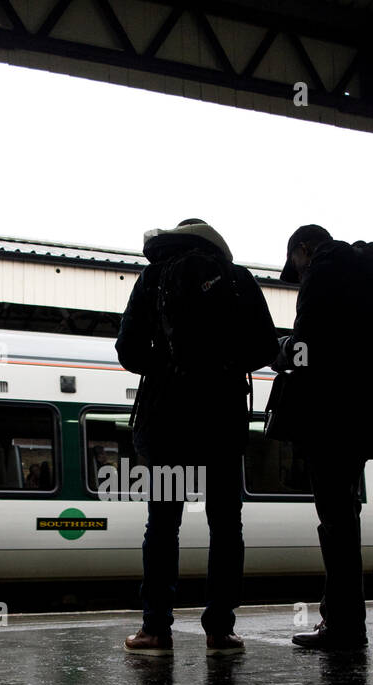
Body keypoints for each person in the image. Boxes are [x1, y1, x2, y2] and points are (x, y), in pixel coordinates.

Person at [115, 219, 277, 655]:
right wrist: (223, 367)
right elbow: (266, 347)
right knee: (225, 526)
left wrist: (169, 368)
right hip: (221, 422)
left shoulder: (153, 277)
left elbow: (128, 350)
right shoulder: (238, 279)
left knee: (163, 525)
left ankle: (156, 630)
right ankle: (220, 631)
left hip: (167, 423)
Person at [271, 225, 373, 649]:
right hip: (363, 413)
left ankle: (342, 624)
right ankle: (346, 621)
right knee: (345, 518)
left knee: (335, 523)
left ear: (304, 249)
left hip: (328, 415)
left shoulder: (323, 272)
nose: (298, 276)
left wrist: (280, 350)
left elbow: (307, 348)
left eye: (296, 266)